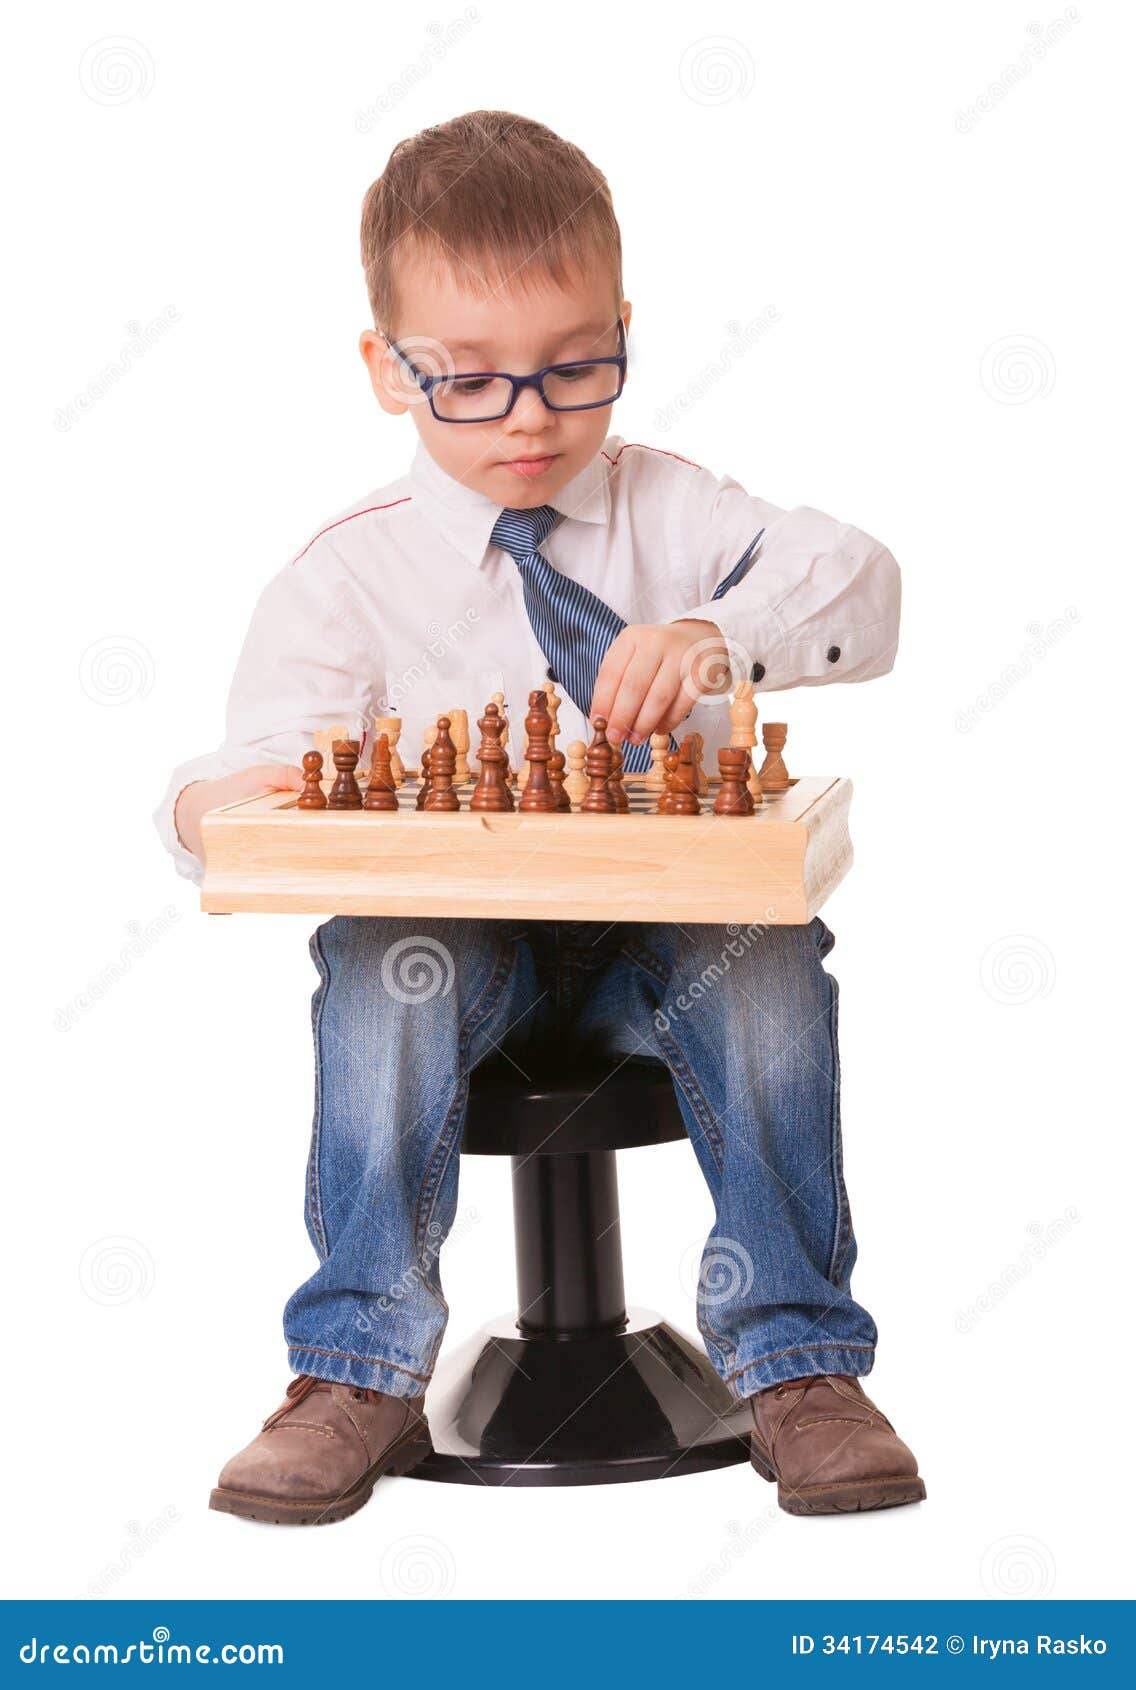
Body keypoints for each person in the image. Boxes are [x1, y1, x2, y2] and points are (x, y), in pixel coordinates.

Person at [156, 110, 922, 1524]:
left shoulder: (676, 513)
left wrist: (716, 632)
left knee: (765, 952)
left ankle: (802, 1360)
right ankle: (357, 1368)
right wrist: (216, 805)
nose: (530, 415)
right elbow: (247, 773)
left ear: (626, 327)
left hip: (667, 939)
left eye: (578, 366)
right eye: (473, 380)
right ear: (387, 369)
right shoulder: (344, 581)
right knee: (386, 958)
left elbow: (862, 585)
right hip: (459, 965)